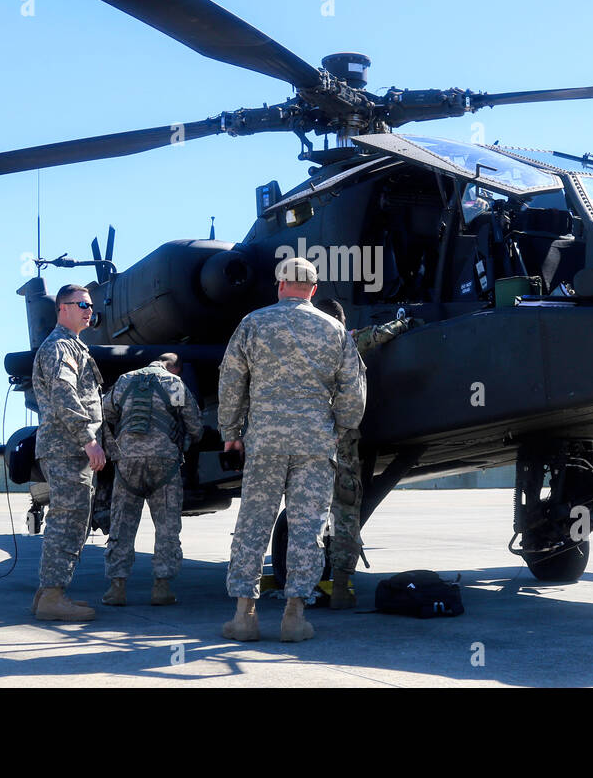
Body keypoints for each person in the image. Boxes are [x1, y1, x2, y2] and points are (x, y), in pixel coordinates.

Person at [217, 258, 366, 642]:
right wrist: (339, 428)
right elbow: (354, 390)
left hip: (264, 440)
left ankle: (244, 616)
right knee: (308, 527)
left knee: (253, 523)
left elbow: (232, 379)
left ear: (280, 284)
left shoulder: (253, 323)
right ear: (314, 290)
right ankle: (295, 616)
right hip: (315, 442)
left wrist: (231, 431)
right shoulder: (334, 330)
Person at [314, 299, 418, 609]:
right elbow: (377, 335)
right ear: (339, 321)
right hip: (341, 442)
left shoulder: (297, 349)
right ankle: (342, 588)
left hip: (303, 441)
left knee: (305, 513)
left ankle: (301, 587)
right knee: (345, 514)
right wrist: (403, 323)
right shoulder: (343, 341)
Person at [101, 353, 203, 607]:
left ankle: (117, 588)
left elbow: (103, 414)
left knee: (121, 524)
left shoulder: (124, 381)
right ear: (175, 368)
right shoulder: (175, 383)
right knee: (167, 527)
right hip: (164, 464)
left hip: (127, 462)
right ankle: (162, 588)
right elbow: (195, 425)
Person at [31, 284, 106, 622]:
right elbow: (65, 395)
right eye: (81, 304)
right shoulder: (61, 347)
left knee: (70, 517)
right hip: (67, 447)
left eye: (90, 305)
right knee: (68, 519)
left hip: (67, 447)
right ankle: (52, 596)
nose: (89, 310)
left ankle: (48, 593)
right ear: (62, 308)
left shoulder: (73, 346)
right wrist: (88, 438)